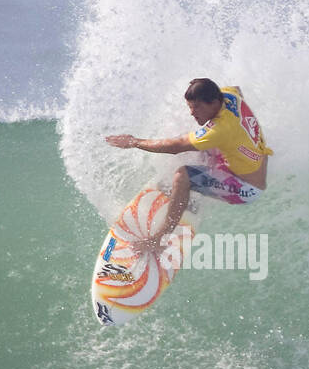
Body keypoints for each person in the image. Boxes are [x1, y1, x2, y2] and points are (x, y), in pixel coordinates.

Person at [105, 78, 273, 253]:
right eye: (191, 107)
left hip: (246, 189)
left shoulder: (221, 129)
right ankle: (188, 196)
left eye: (197, 107)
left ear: (215, 101)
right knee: (201, 143)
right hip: (250, 162)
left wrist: (134, 142)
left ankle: (159, 241)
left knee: (183, 175)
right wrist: (202, 84)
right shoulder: (230, 95)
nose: (192, 113)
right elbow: (237, 88)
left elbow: (175, 147)